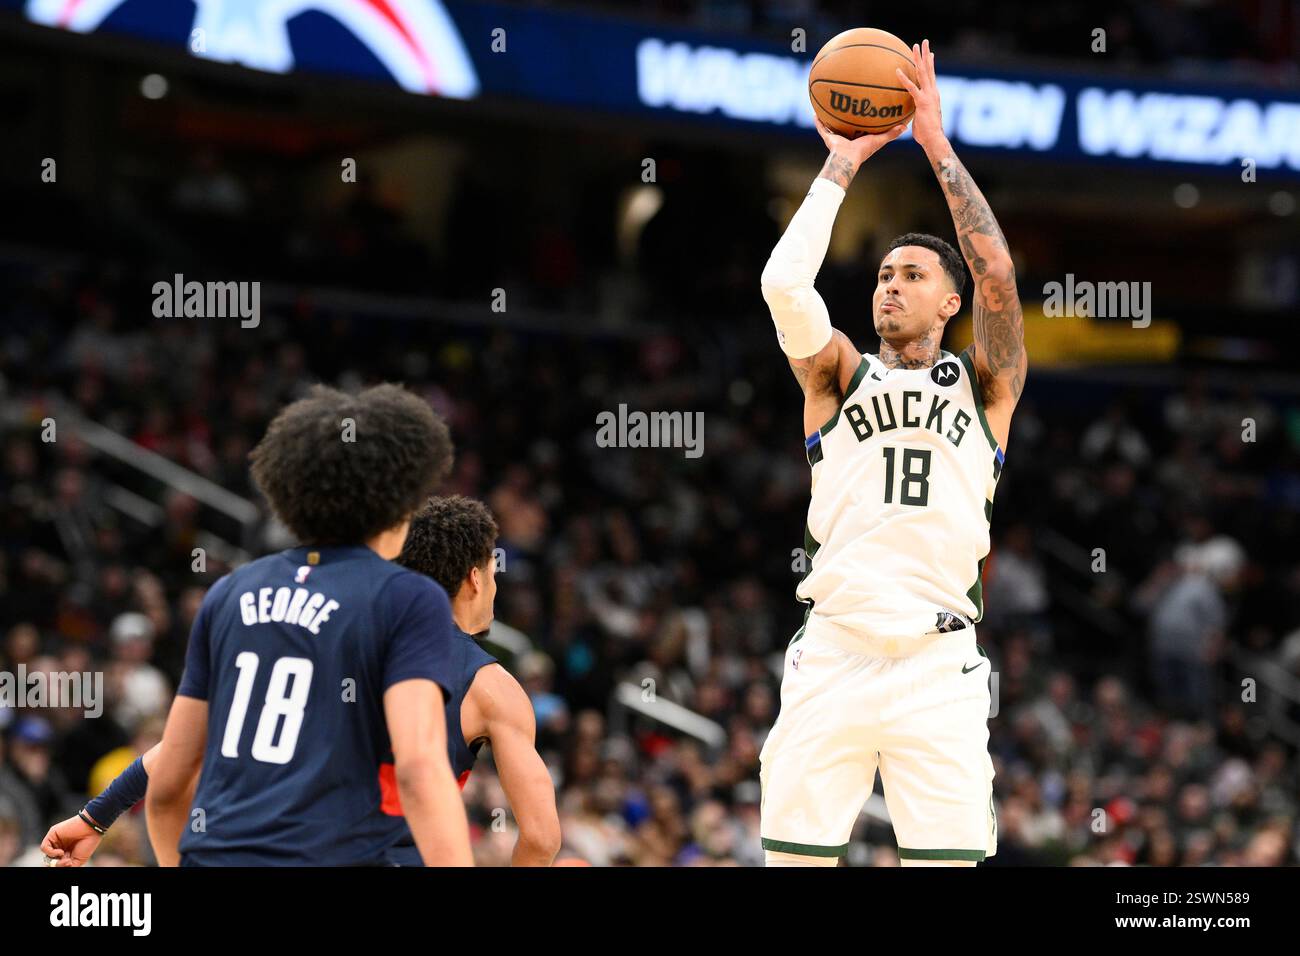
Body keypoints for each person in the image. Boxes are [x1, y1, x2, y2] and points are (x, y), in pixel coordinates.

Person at [757, 40, 1027, 867]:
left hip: (938, 665)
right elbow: (782, 288)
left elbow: (1000, 277)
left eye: (910, 274)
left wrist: (936, 148)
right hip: (833, 651)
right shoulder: (836, 374)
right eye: (882, 273)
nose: (890, 285)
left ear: (949, 300)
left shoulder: (985, 385)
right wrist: (840, 166)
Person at [43, 496, 558, 866]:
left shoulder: (329, 640)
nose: (495, 586)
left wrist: (94, 818)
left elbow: (185, 748)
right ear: (473, 576)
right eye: (494, 572)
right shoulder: (490, 686)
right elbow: (539, 838)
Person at [121, 383, 470, 866]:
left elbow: (169, 785)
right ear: (403, 496)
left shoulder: (229, 593)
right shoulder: (407, 597)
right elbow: (419, 770)